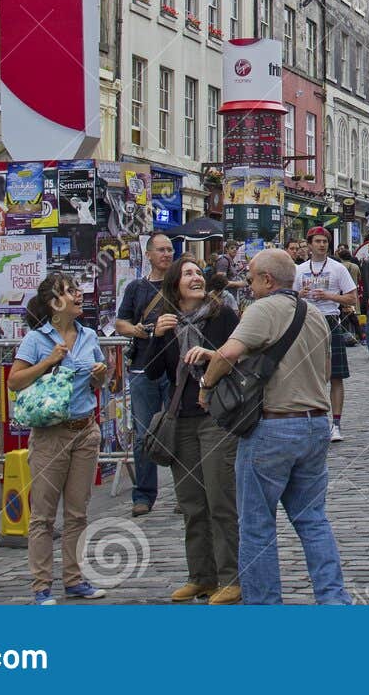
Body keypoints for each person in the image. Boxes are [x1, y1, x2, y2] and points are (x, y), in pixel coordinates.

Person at [191, 249, 349, 605]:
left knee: (256, 525)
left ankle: (264, 606)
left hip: (274, 426)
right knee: (313, 520)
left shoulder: (263, 309)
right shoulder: (314, 315)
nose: (247, 286)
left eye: (249, 279)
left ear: (267, 279)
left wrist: (205, 387)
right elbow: (325, 373)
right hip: (315, 425)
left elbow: (228, 354)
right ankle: (334, 600)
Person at [9, 273, 109, 604]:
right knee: (43, 515)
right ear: (55, 302)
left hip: (85, 430)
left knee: (78, 512)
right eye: (70, 291)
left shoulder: (89, 335)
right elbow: (15, 381)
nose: (79, 295)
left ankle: (74, 578)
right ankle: (41, 585)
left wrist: (101, 376)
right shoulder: (36, 339)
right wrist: (49, 361)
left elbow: (102, 381)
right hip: (51, 435)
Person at [147, 257, 241, 603]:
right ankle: (201, 576)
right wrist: (156, 338)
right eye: (187, 273)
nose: (196, 278)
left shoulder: (222, 315)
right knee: (191, 502)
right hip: (181, 418)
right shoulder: (166, 322)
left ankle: (231, 577)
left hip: (216, 416)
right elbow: (153, 373)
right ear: (175, 284)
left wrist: (212, 355)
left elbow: (240, 359)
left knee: (220, 499)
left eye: (198, 273)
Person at [114, 231, 174, 516]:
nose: (167, 254)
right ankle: (144, 494)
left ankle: (185, 493)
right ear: (148, 254)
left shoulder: (179, 284)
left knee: (179, 429)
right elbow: (120, 323)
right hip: (143, 364)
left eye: (170, 250)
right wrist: (135, 330)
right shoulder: (136, 288)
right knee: (144, 434)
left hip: (175, 365)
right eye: (161, 250)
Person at [295, 227, 358, 444]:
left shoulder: (338, 269)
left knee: (336, 376)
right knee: (307, 375)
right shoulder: (299, 270)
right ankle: (312, 422)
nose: (322, 245)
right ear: (309, 244)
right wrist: (298, 295)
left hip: (330, 320)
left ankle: (336, 424)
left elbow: (352, 299)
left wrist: (330, 295)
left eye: (325, 241)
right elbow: (288, 298)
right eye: (318, 241)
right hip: (306, 320)